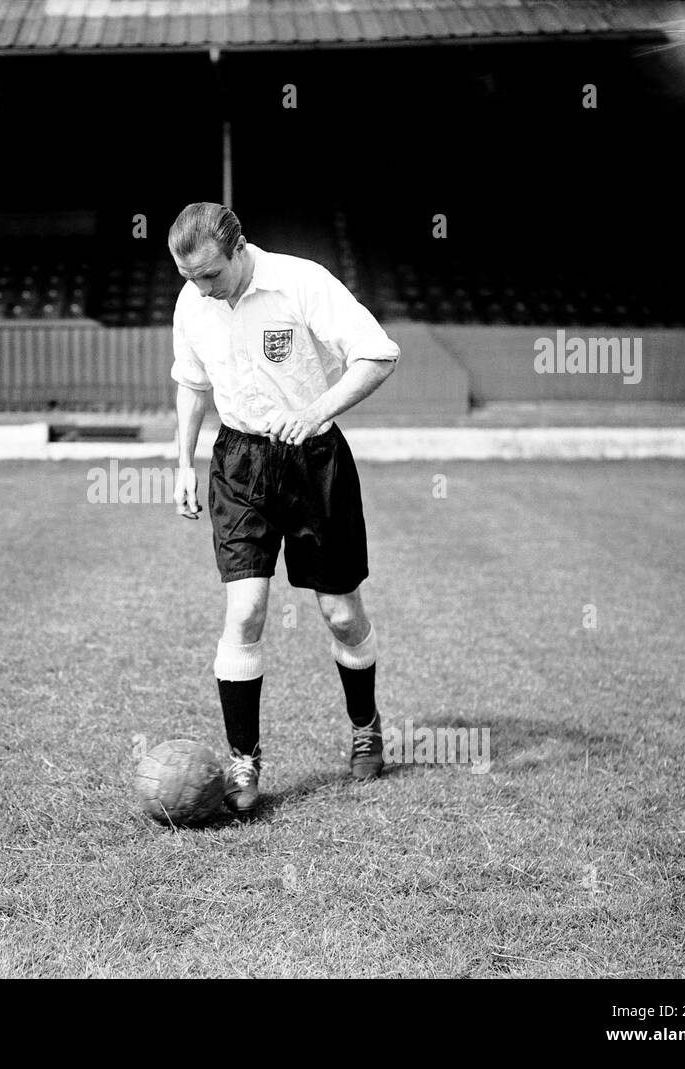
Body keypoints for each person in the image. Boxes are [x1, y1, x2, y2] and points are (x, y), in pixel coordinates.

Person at [168, 202, 400, 813]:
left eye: (211, 276)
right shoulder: (193, 303)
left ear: (239, 248)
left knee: (342, 616)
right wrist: (182, 463)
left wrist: (316, 410)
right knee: (244, 613)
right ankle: (244, 766)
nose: (202, 290)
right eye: (189, 278)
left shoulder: (302, 282)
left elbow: (378, 354)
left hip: (314, 461)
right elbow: (191, 384)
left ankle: (365, 724)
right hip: (239, 463)